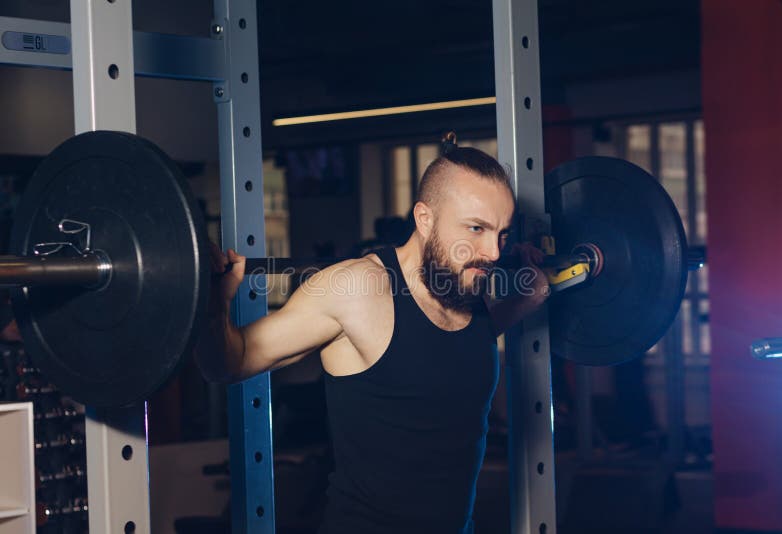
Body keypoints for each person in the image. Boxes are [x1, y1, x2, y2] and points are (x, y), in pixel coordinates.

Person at [196, 133, 550, 534]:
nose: (493, 251)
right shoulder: (355, 290)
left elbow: (450, 352)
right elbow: (227, 362)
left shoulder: (469, 286)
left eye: (502, 233)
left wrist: (529, 295)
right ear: (424, 218)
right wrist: (214, 302)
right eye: (476, 228)